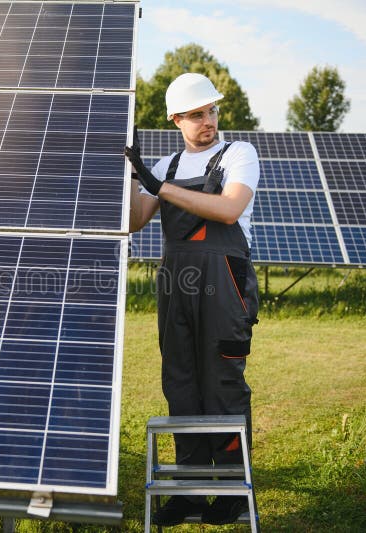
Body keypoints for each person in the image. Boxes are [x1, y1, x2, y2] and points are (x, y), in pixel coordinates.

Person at [124, 73, 260, 526]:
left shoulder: (238, 154)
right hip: (176, 283)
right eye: (198, 114)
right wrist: (130, 170)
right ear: (176, 119)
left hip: (224, 281)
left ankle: (233, 489)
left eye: (212, 111)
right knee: (180, 381)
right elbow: (135, 221)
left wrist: (157, 186)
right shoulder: (164, 166)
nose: (209, 121)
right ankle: (189, 491)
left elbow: (228, 209)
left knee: (221, 382)